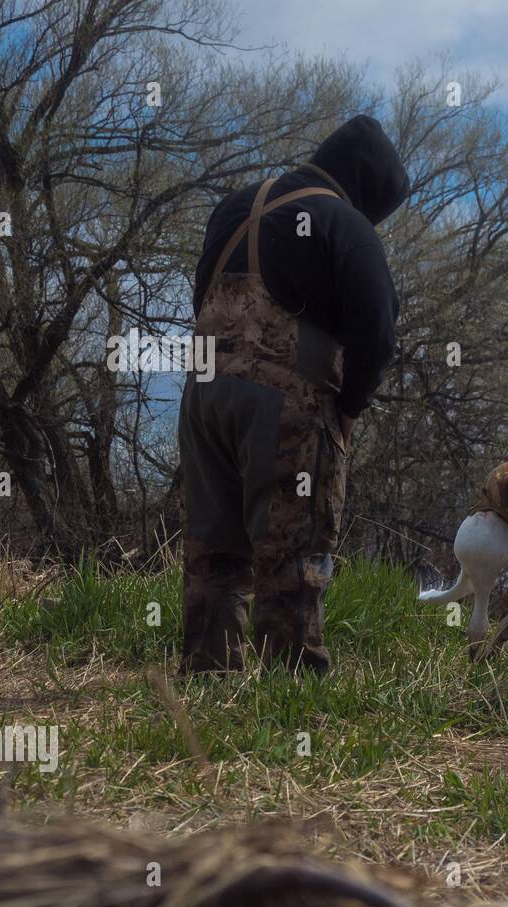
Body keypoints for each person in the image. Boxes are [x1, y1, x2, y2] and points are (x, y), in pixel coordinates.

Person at [178, 115, 409, 674]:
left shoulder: (233, 206)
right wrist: (349, 408)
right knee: (294, 548)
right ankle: (291, 687)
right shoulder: (344, 223)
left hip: (203, 398)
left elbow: (203, 296)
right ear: (365, 187)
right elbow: (377, 333)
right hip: (284, 406)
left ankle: (209, 674)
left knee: (213, 549)